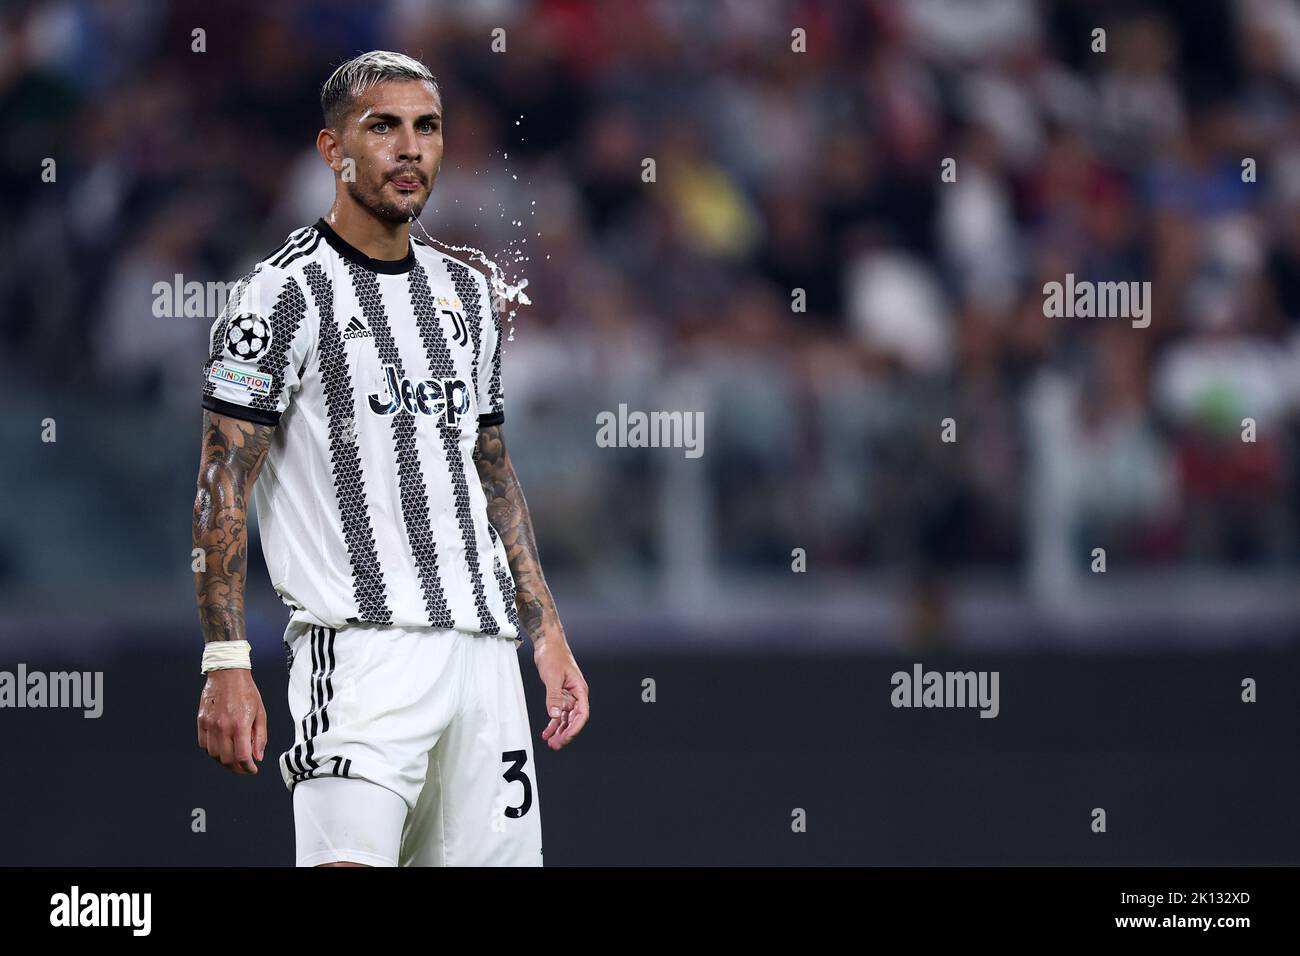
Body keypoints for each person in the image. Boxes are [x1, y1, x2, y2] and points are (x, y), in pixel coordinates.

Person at [190, 50, 588, 866]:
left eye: (427, 128)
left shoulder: (470, 296)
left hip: (482, 660)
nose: (410, 148)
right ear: (333, 151)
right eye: (384, 128)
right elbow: (222, 479)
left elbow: (492, 472)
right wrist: (226, 659)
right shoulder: (277, 295)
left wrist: (544, 633)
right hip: (364, 654)